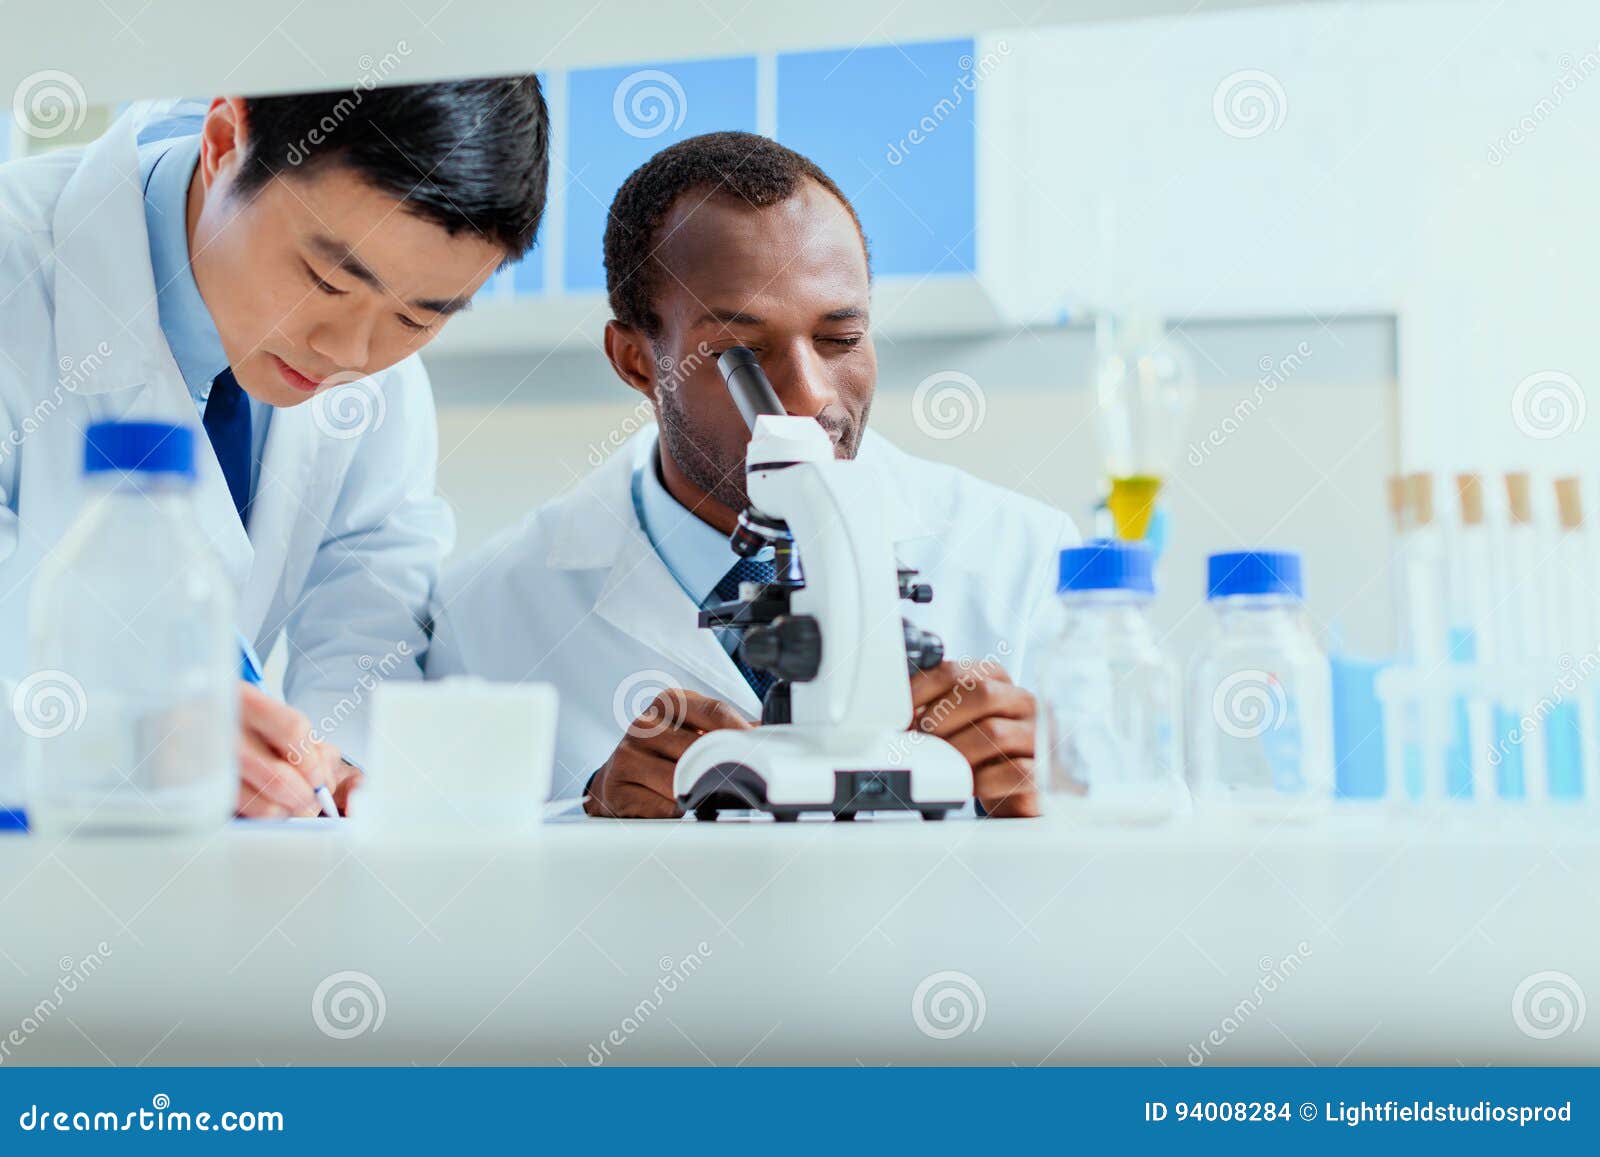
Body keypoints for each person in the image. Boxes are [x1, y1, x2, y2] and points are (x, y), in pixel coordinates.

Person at [425, 131, 1076, 819]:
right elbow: (432, 890)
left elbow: (1143, 869)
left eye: (841, 340)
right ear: (637, 361)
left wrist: (1063, 790)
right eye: (739, 352)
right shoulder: (487, 611)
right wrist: (583, 815)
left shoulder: (1026, 563)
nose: (810, 396)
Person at [0, 80, 549, 817]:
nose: (350, 351)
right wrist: (121, 737)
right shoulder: (18, 266)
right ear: (225, 141)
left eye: (419, 319)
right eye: (325, 278)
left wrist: (343, 766)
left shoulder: (377, 380)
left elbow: (368, 621)